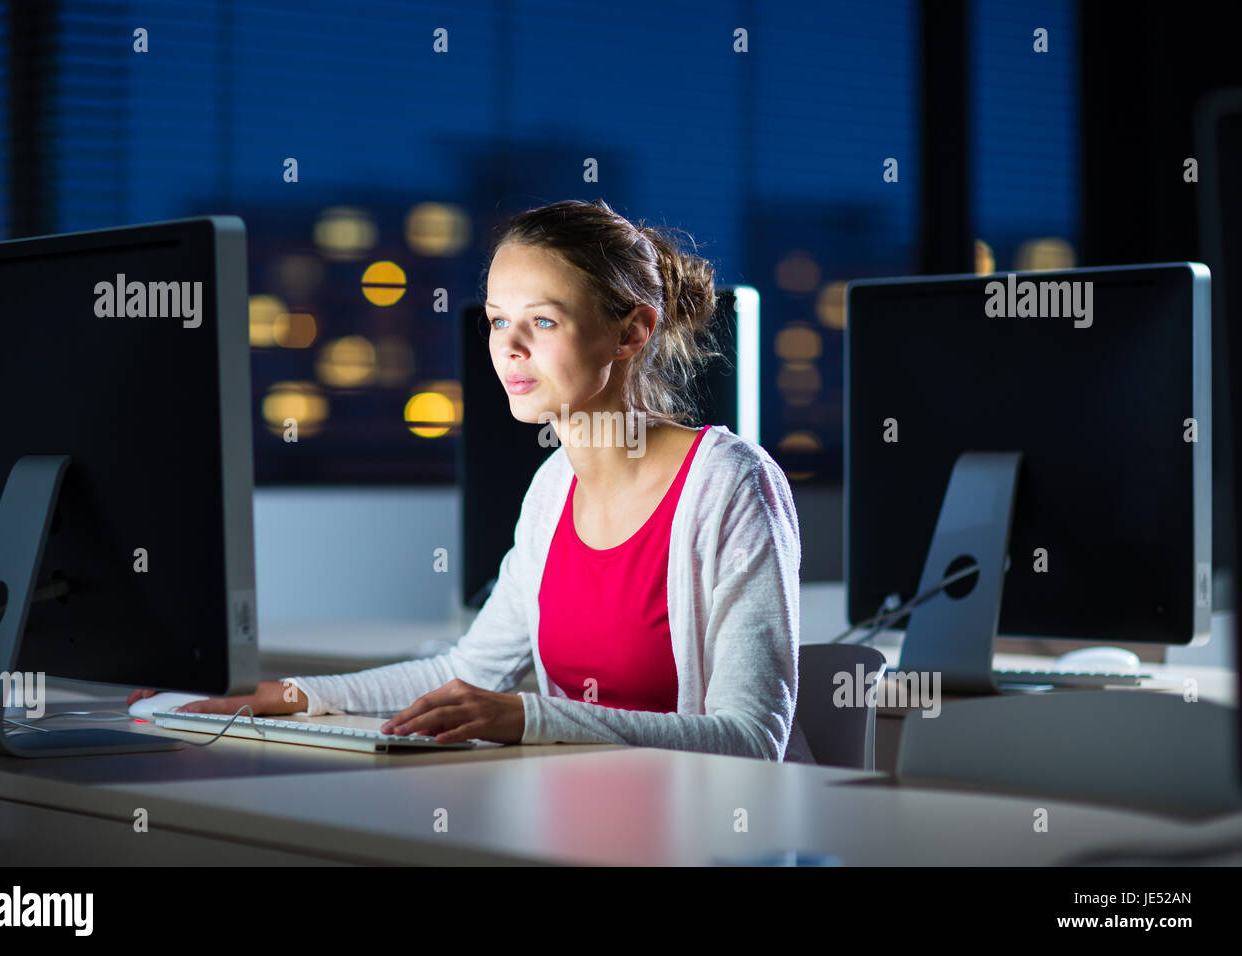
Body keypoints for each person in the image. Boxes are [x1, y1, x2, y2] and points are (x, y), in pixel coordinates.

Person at [128, 198, 809, 761]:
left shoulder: (729, 483)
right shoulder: (553, 489)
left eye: (543, 321)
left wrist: (531, 718)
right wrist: (291, 694)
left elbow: (752, 739)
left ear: (632, 332)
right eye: (497, 321)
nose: (508, 347)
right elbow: (463, 674)